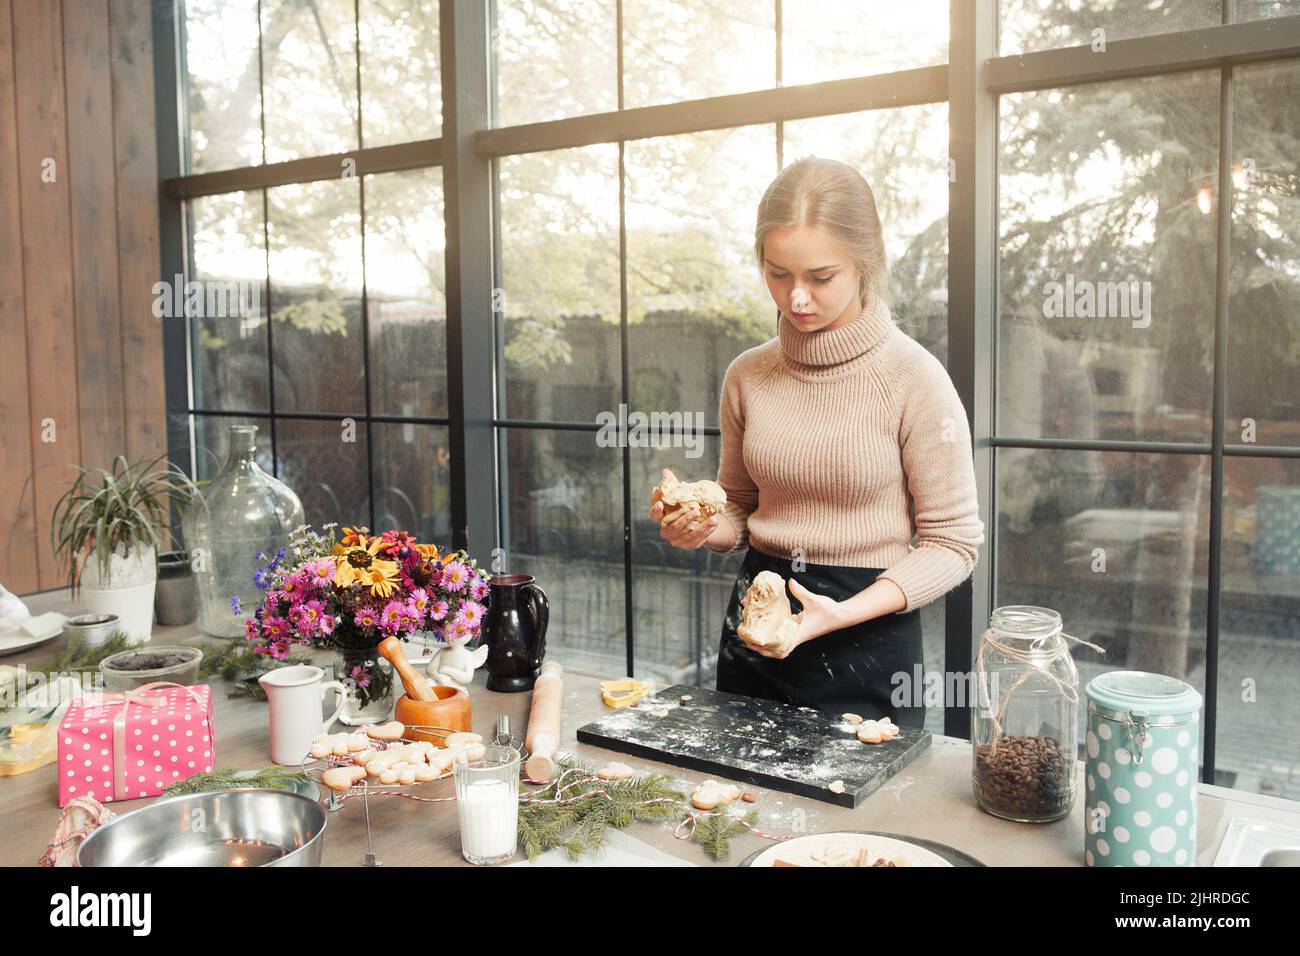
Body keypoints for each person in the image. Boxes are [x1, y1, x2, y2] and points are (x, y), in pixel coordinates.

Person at [648, 156, 984, 728]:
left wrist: (840, 614)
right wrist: (701, 528)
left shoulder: (914, 378)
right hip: (757, 626)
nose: (797, 297)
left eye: (820, 277)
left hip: (869, 636)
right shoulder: (747, 375)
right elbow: (739, 509)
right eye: (778, 274)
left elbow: (953, 544)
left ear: (865, 263)